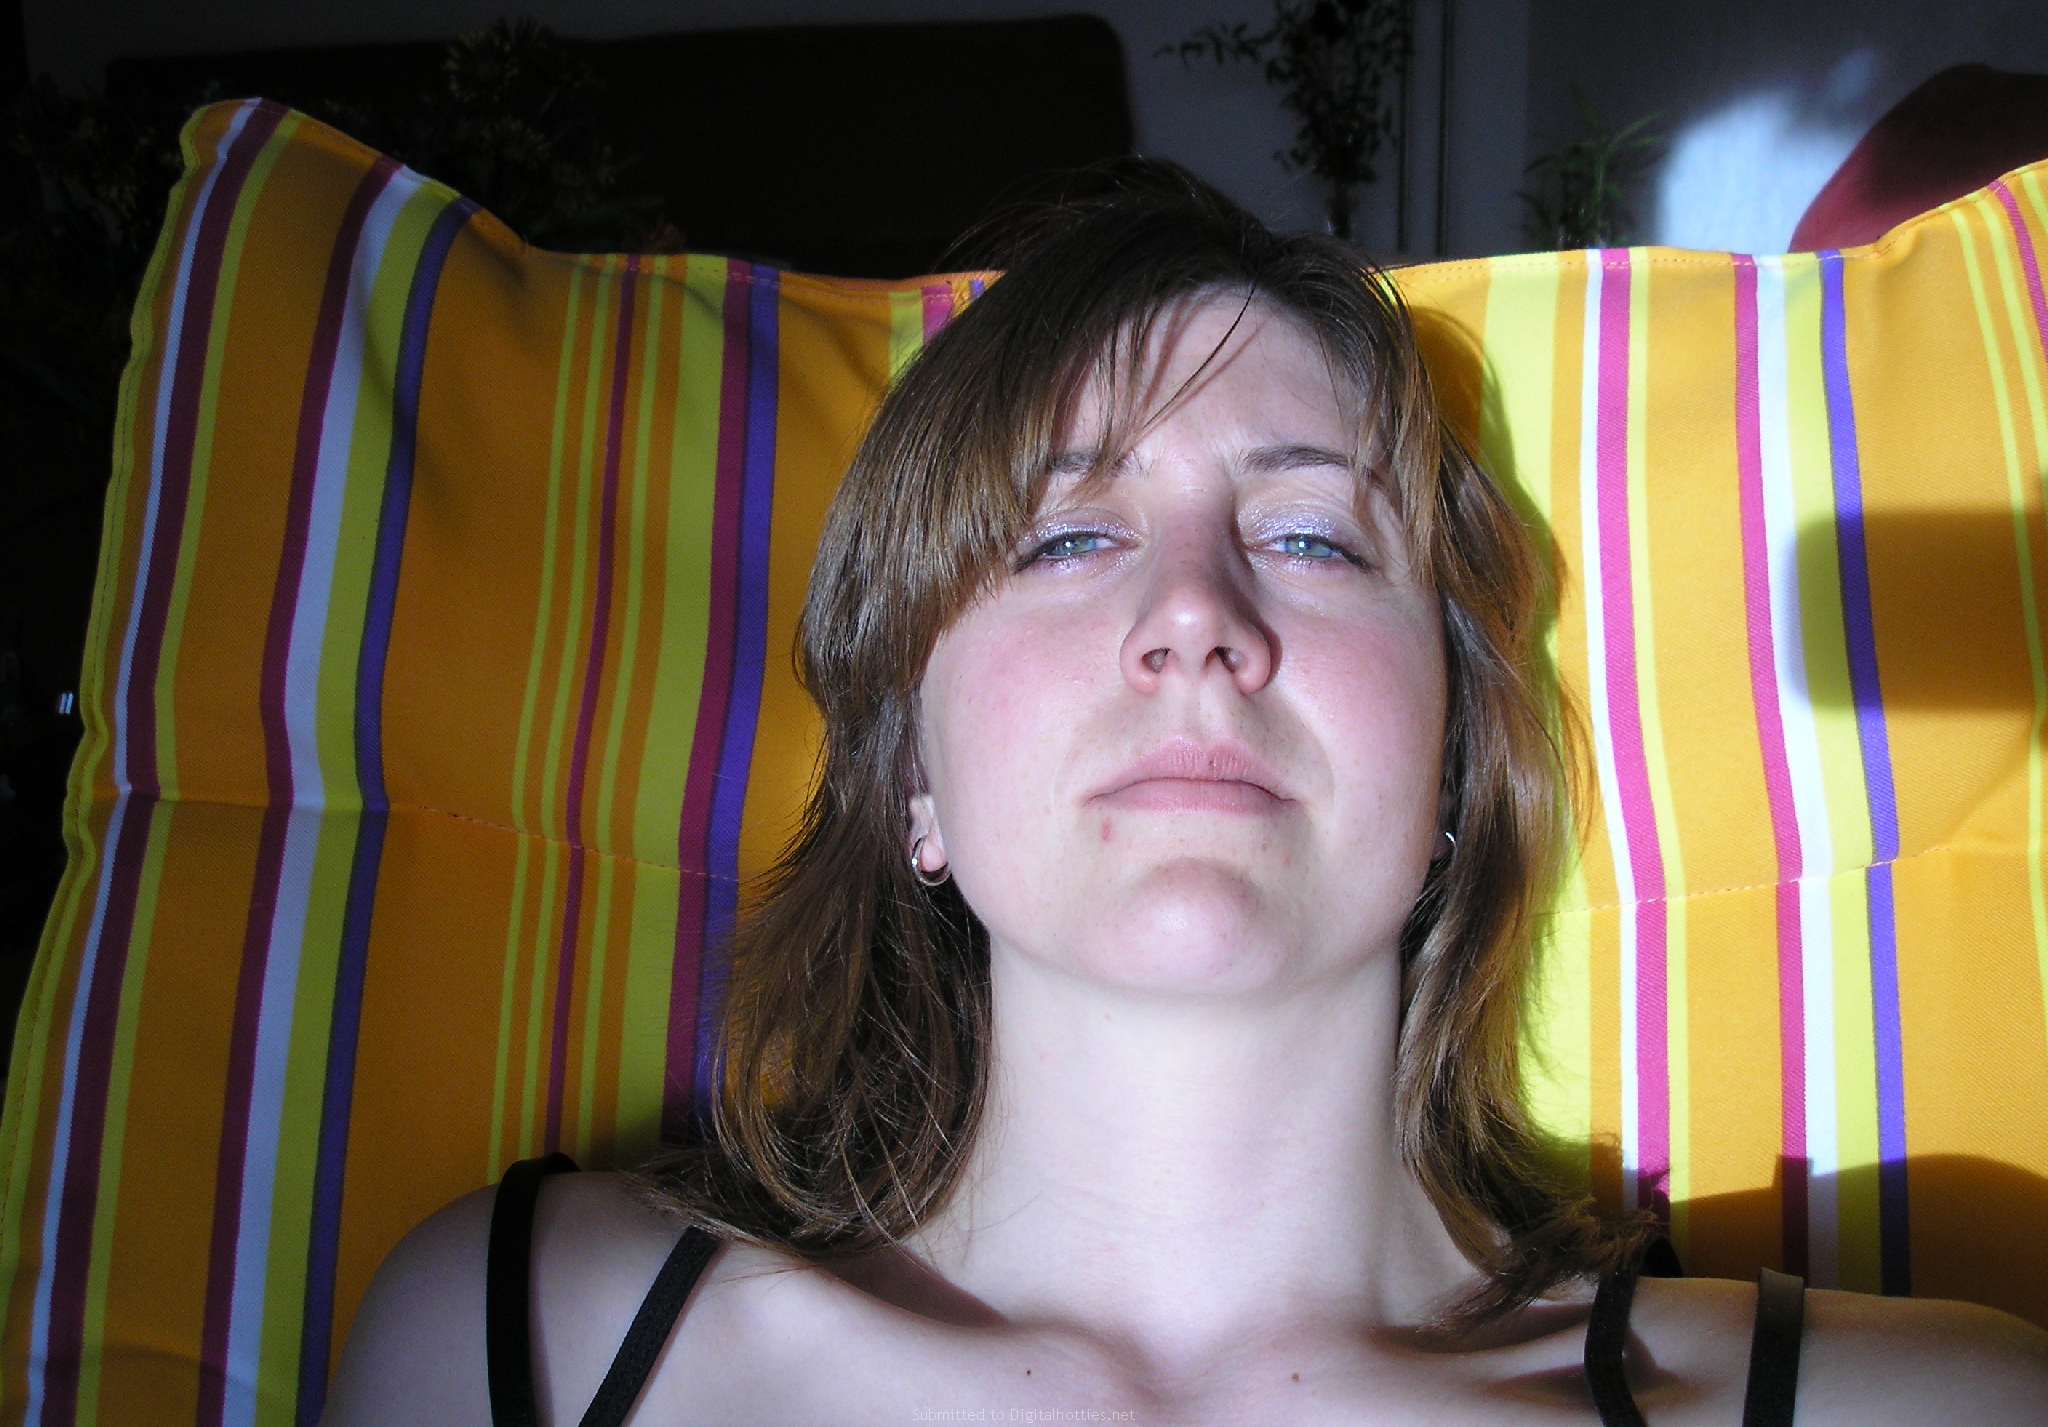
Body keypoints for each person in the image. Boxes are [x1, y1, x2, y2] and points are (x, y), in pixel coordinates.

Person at [322, 167, 2048, 1425]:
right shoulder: (516, 1343)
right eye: (1069, 538)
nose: (1196, 618)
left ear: (1458, 758)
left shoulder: (1923, 1408)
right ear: (912, 776)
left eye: (1311, 537)